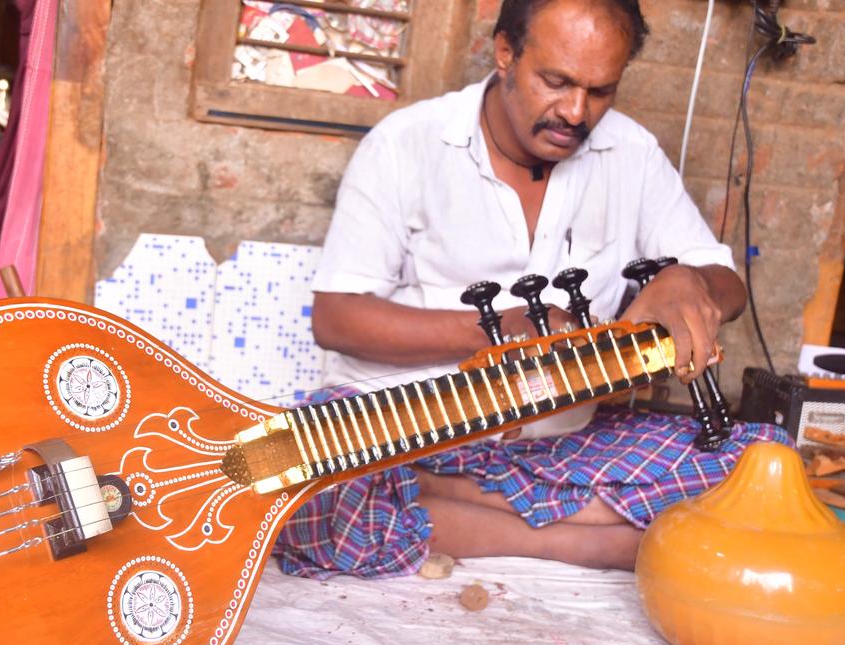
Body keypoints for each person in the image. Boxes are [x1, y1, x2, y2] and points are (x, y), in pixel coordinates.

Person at [271, 0, 789, 577]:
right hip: (409, 428)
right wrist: (506, 328)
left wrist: (687, 282)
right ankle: (587, 542)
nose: (576, 112)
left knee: (762, 462)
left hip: (554, 446)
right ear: (505, 53)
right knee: (299, 474)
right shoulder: (407, 144)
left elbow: (726, 283)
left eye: (600, 90)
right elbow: (337, 319)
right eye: (556, 82)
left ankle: (438, 501)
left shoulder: (631, 153)